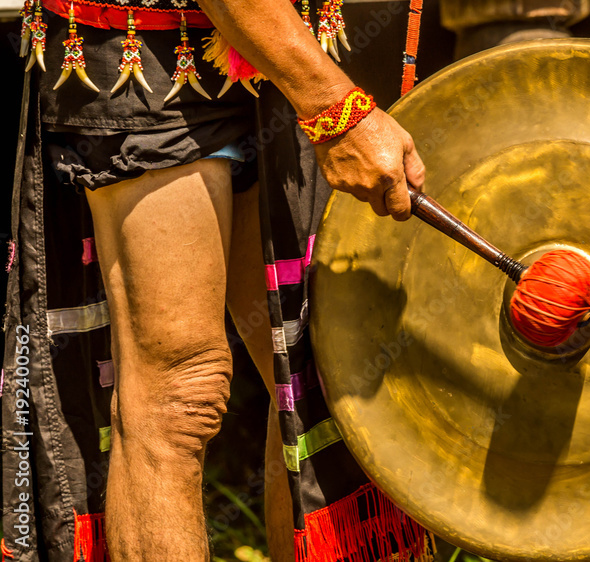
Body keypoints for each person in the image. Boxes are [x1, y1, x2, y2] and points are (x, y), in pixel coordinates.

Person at [2, 0, 433, 560]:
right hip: (155, 53)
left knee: (329, 371)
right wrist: (335, 107)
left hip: (304, 39)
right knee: (180, 395)